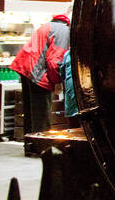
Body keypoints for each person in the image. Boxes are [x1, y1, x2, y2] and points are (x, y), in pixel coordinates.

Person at [10, 7, 71, 137]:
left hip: (25, 66)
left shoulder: (50, 25)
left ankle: (30, 146)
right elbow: (55, 60)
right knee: (41, 114)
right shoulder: (64, 31)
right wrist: (57, 83)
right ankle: (42, 147)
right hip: (37, 71)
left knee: (31, 113)